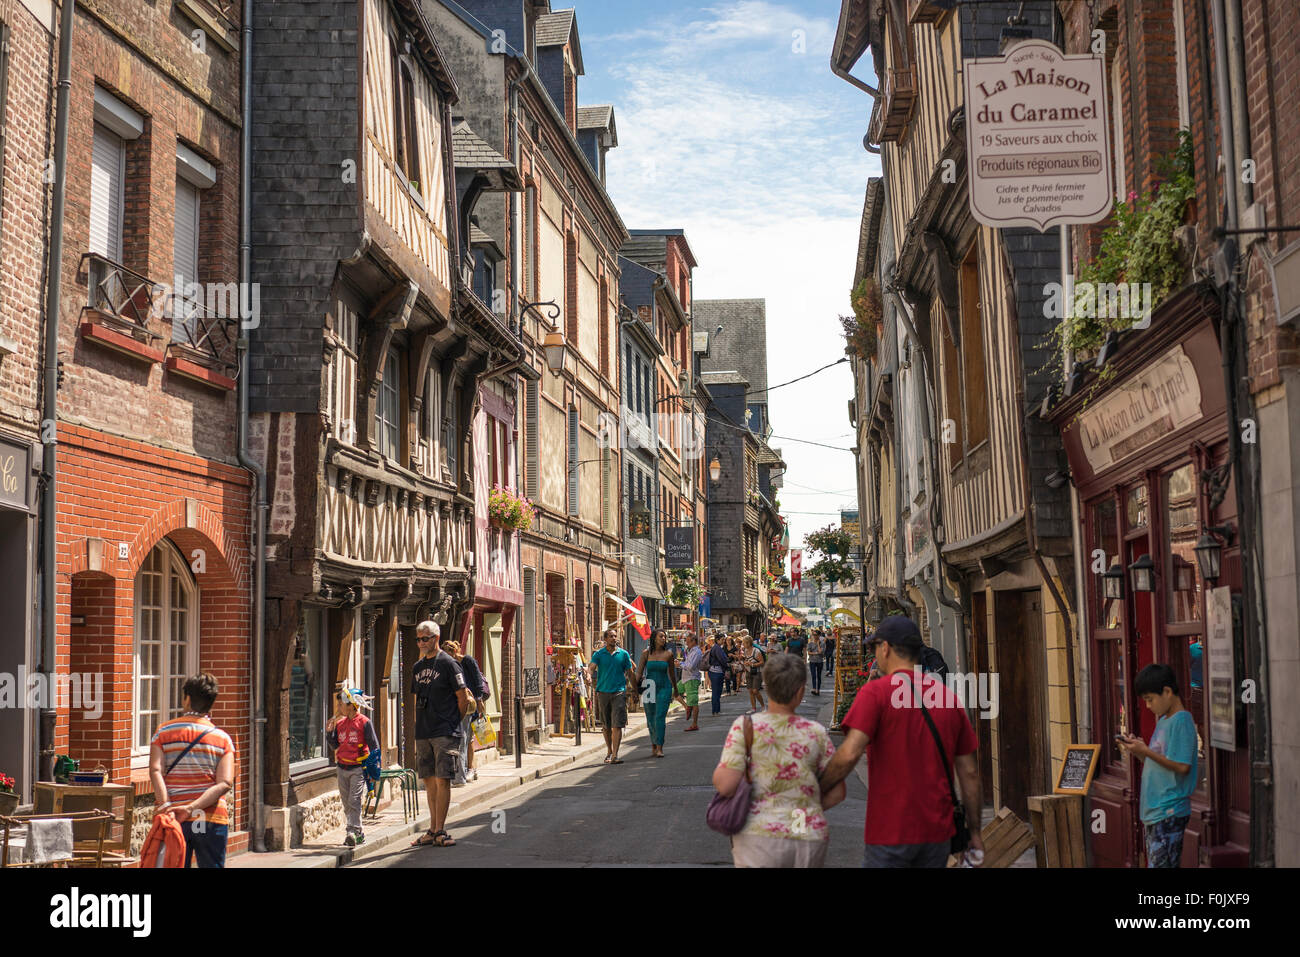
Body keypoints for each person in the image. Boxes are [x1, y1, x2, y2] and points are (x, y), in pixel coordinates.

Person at [817, 616, 983, 868]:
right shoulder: (947, 697)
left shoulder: (876, 693)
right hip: (938, 832)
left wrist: (816, 791)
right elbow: (969, 774)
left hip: (890, 830)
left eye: (874, 647)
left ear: (885, 648)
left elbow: (850, 754)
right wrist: (976, 832)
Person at [713, 653, 847, 867]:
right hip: (805, 831)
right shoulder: (816, 732)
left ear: (766, 686)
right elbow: (838, 792)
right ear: (801, 690)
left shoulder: (745, 727)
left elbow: (726, 784)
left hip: (758, 835)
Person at [149, 673, 236, 868]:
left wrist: (165, 806)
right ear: (212, 702)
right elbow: (225, 783)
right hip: (210, 817)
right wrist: (192, 808)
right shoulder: (223, 739)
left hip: (173, 816)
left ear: (187, 699)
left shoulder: (163, 732)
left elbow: (155, 770)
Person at [1119, 663, 1198, 868]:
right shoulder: (1164, 720)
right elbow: (1161, 763)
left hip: (1169, 809)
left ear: (1167, 692)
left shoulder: (1181, 720)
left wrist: (1146, 751)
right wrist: (1139, 752)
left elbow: (1182, 766)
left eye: (1150, 699)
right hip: (1156, 810)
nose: (1148, 706)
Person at [410, 620, 475, 848]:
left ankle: (441, 830)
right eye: (418, 639)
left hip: (445, 730)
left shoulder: (449, 664)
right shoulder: (417, 667)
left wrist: (453, 723)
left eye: (424, 638)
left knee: (443, 779)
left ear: (436, 638)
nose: (420, 643)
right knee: (428, 780)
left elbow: (463, 698)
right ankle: (432, 828)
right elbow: (416, 698)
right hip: (424, 731)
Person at [326, 687, 379, 846]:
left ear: (352, 705)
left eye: (341, 704)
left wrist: (373, 770)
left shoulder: (364, 723)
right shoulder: (340, 723)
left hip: (358, 769)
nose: (338, 708)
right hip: (342, 767)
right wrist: (329, 733)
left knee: (354, 800)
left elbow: (374, 747)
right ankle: (359, 833)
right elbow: (335, 745)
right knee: (346, 802)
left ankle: (352, 831)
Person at [588, 628, 637, 764]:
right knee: (606, 726)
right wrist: (588, 674)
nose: (613, 638)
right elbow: (592, 666)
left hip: (619, 692)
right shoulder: (599, 654)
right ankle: (609, 750)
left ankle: (615, 754)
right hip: (603, 692)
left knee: (617, 725)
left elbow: (630, 673)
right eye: (610, 636)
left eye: (615, 636)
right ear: (605, 639)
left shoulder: (624, 654)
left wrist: (635, 690)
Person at [443, 639, 486, 787]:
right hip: (456, 705)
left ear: (455, 652)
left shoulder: (468, 661)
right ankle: (467, 770)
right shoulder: (449, 665)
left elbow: (478, 681)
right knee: (465, 739)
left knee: (465, 739)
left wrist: (479, 700)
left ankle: (468, 771)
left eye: (449, 653)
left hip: (469, 704)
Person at [636, 628, 680, 758]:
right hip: (649, 687)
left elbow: (672, 674)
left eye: (665, 637)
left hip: (664, 687)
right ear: (654, 638)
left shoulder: (668, 655)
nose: (663, 639)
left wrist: (675, 690)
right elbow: (639, 672)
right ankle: (653, 744)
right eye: (661, 636)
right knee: (650, 717)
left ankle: (660, 747)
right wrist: (634, 687)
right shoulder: (645, 654)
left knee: (659, 717)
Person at [678, 632, 703, 732]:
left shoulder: (696, 652)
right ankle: (686, 706)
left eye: (688, 641)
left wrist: (680, 664)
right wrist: (681, 663)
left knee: (694, 702)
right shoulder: (691, 651)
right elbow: (688, 664)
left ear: (693, 641)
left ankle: (695, 724)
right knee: (674, 692)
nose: (686, 643)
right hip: (685, 679)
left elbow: (691, 666)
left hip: (691, 679)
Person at [706, 630, 729, 716]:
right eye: (722, 639)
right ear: (717, 639)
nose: (723, 641)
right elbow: (722, 660)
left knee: (718, 692)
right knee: (716, 692)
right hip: (715, 672)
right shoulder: (717, 648)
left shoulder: (718, 647)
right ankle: (715, 711)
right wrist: (727, 666)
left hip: (717, 671)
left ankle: (717, 710)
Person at [742, 634, 766, 713]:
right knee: (750, 691)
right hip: (748, 672)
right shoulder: (745, 651)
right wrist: (745, 663)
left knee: (755, 691)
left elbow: (762, 662)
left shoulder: (756, 651)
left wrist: (752, 664)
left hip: (757, 672)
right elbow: (746, 660)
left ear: (748, 643)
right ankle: (753, 708)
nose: (743, 644)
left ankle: (763, 706)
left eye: (744, 643)